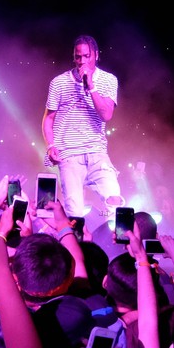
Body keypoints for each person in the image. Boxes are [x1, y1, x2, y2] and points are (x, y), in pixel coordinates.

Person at [41, 34, 124, 221]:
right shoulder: (59, 83)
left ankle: (119, 246)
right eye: (78, 56)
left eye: (86, 56)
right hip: (69, 154)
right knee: (75, 213)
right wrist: (50, 146)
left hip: (97, 152)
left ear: (96, 55)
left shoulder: (109, 80)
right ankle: (76, 246)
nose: (82, 61)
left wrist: (91, 86)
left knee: (115, 199)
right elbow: (48, 119)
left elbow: (106, 115)